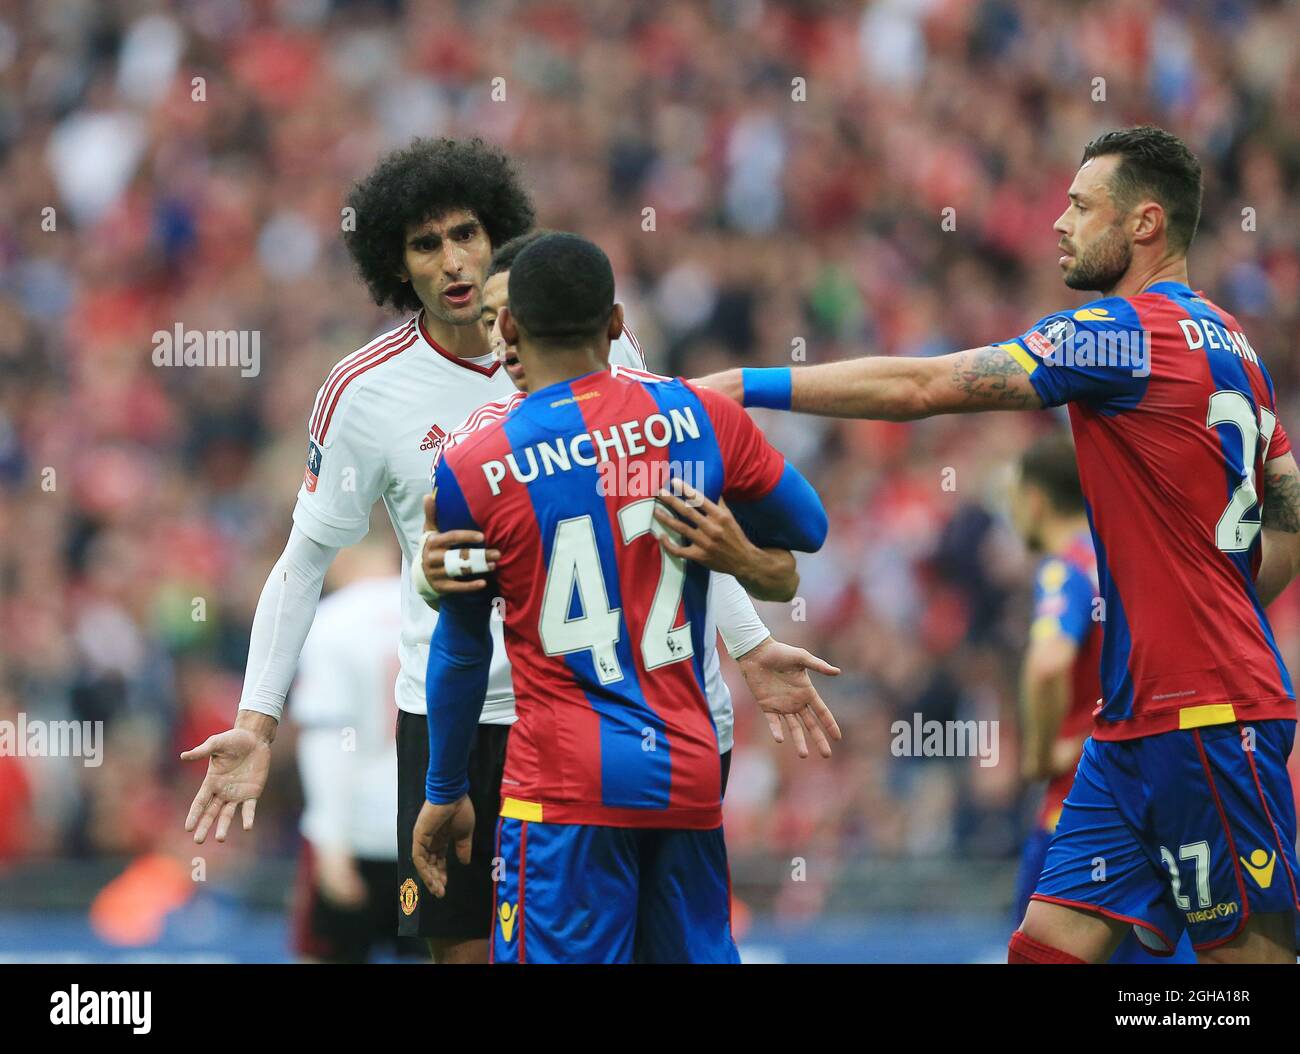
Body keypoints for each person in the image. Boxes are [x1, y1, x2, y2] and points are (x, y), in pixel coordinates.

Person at [698, 126, 1300, 964]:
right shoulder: (1239, 349)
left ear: (1145, 224)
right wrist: (1223, 600)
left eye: (1082, 206)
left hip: (1209, 713)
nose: (1058, 222)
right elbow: (1290, 512)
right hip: (1131, 726)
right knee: (1041, 950)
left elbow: (925, 385)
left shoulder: (1119, 334)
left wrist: (743, 386)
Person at [412, 233, 831, 963]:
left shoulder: (475, 467)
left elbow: (462, 645)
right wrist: (750, 559)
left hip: (562, 792)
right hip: (688, 773)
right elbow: (809, 527)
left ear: (508, 328)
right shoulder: (702, 418)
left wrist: (446, 787)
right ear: (614, 323)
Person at [1009, 431, 1195, 963]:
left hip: (1080, 813)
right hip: (1160, 801)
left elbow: (1047, 665)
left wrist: (1042, 753)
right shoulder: (1129, 562)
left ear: (1035, 499)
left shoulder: (1063, 569)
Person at [288, 544, 421, 963]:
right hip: (430, 826)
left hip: (356, 828)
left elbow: (327, 741)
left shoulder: (333, 621)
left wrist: (331, 845)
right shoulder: (437, 613)